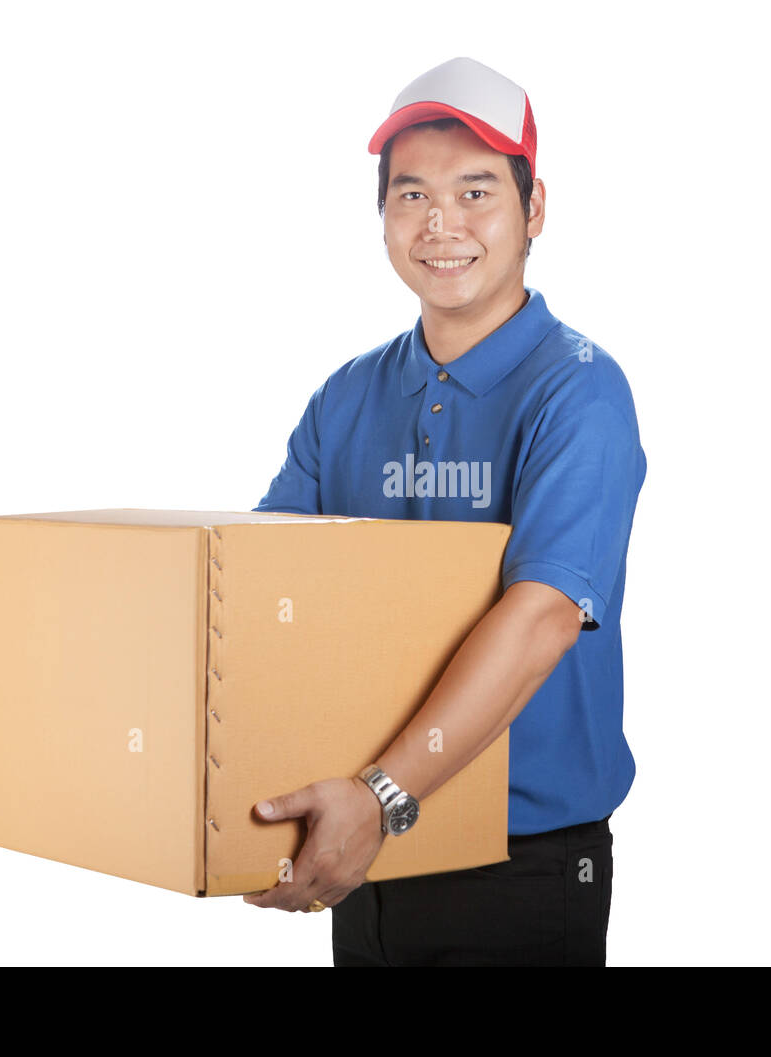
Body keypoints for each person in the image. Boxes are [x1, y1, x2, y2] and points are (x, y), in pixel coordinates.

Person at [244, 56, 646, 967]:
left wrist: (382, 794)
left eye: (475, 192)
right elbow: (262, 587)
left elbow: (541, 615)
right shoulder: (345, 397)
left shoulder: (579, 395)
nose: (441, 225)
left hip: (521, 869)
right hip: (363, 850)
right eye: (411, 195)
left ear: (533, 208)